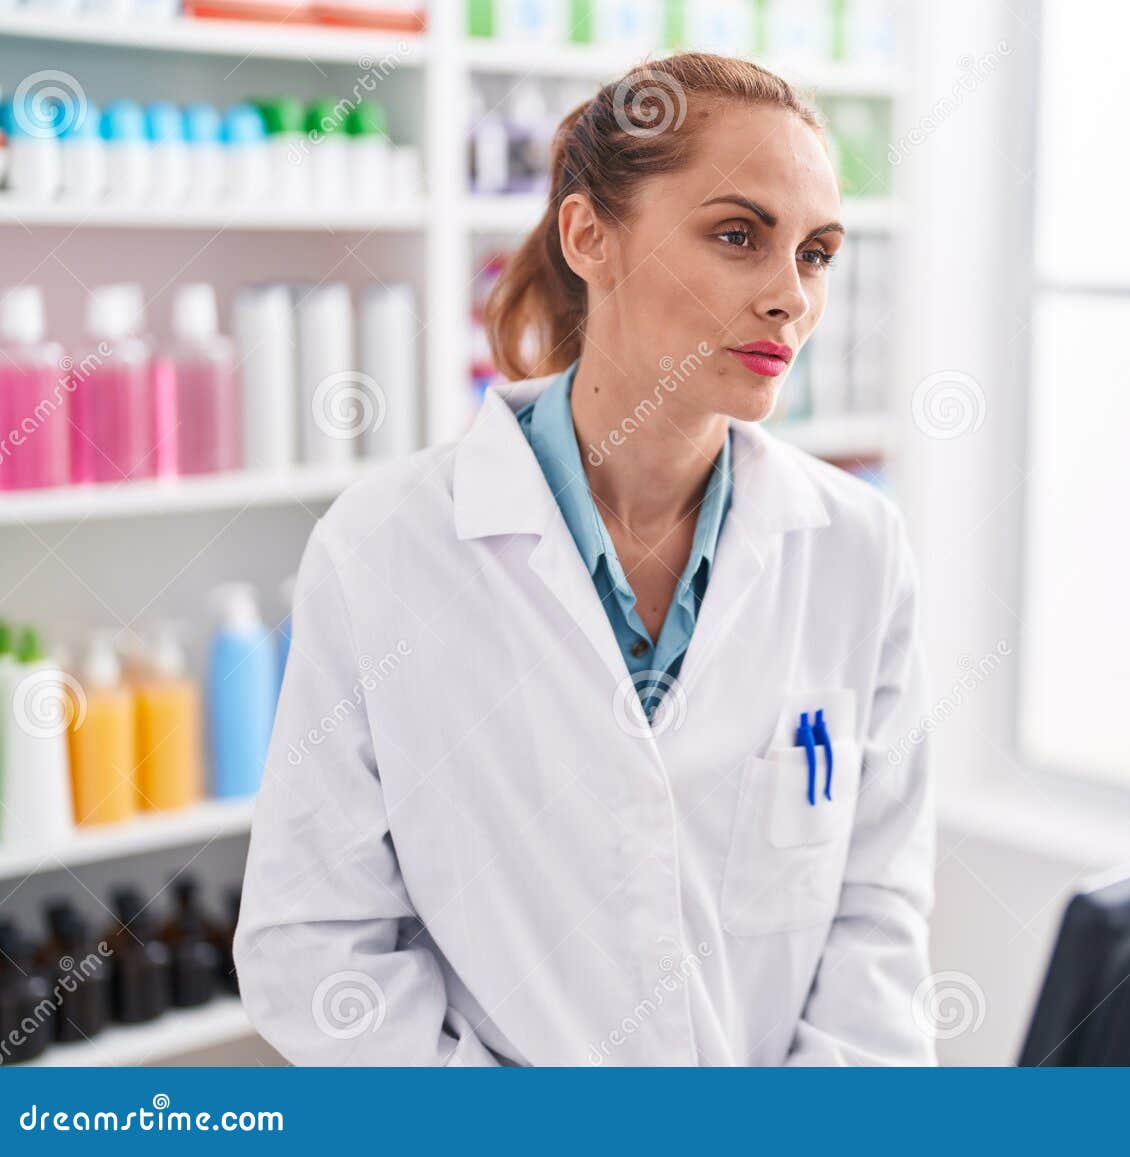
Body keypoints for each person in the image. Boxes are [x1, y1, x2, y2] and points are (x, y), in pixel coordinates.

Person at [235, 51, 936, 1066]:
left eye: (817, 252)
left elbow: (879, 917)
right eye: (737, 235)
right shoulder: (385, 547)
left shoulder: (856, 548)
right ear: (588, 236)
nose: (790, 296)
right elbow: (314, 946)